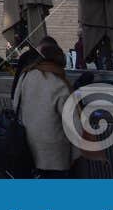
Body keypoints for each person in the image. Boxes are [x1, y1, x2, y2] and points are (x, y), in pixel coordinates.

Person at [14, 37, 80, 178]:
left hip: (28, 148)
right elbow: (74, 125)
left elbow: (15, 106)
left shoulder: (25, 76)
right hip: (55, 154)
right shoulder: (59, 84)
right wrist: (76, 155)